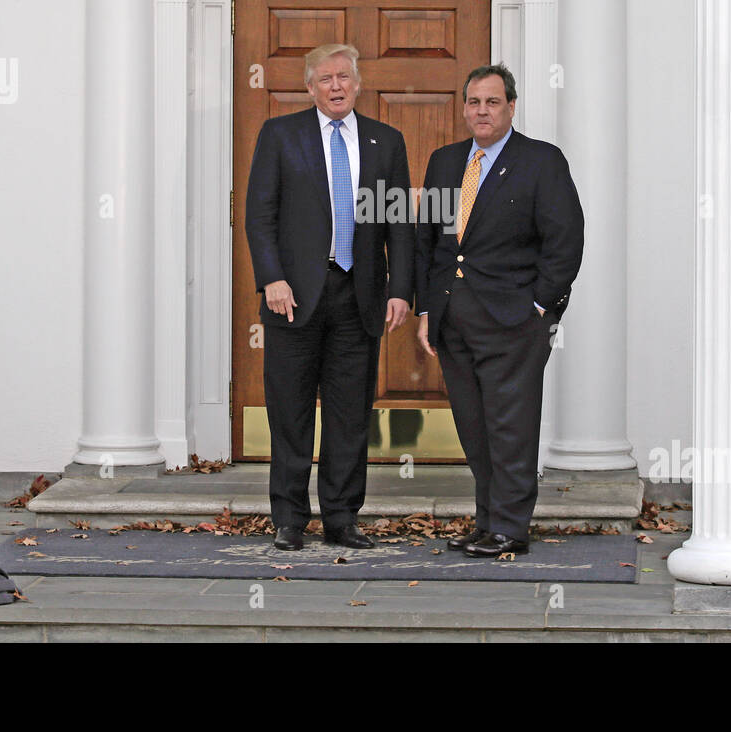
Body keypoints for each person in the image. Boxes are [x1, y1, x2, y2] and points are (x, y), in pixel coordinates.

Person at [245, 43, 413, 551]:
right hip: (292, 298)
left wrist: (401, 289)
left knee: (348, 415)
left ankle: (341, 518)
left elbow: (399, 224)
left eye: (344, 76)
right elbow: (260, 215)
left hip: (358, 297)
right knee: (290, 413)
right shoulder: (280, 135)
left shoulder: (387, 141)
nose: (336, 86)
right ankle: (290, 519)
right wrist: (271, 278)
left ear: (358, 84)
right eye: (324, 78)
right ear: (309, 87)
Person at [414, 64, 584, 558]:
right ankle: (487, 521)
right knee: (474, 425)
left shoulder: (541, 161)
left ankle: (511, 527)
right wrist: (427, 309)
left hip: (515, 318)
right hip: (452, 316)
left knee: (510, 424)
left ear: (511, 106)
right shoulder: (445, 162)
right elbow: (430, 242)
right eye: (473, 102)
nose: (481, 111)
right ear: (464, 108)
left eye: (492, 102)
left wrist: (539, 306)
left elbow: (565, 239)